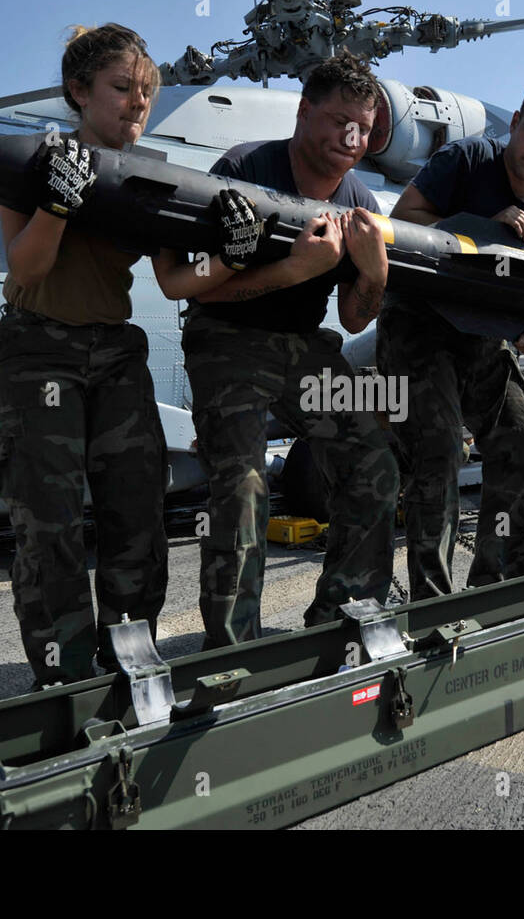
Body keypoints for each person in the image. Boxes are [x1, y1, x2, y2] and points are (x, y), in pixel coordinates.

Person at [153, 53, 399, 648]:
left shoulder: (359, 196)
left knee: (374, 463)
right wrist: (292, 271)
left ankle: (342, 613)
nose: (352, 138)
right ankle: (236, 646)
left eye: (364, 129)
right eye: (340, 120)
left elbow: (351, 317)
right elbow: (192, 281)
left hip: (306, 345)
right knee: (241, 484)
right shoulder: (241, 170)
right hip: (227, 337)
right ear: (304, 110)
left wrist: (373, 275)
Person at [0, 23, 168, 688]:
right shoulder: (27, 162)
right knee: (49, 524)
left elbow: (178, 278)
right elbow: (26, 267)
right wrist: (60, 199)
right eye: (123, 88)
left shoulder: (145, 179)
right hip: (39, 349)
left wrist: (234, 242)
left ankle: (130, 656)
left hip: (116, 351)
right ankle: (63, 674)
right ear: (78, 90)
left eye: (145, 92)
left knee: (138, 512)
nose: (137, 103)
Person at [380, 73, 524, 599]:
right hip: (419, 326)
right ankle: (432, 601)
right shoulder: (466, 160)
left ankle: (499, 589)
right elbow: (404, 219)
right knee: (440, 448)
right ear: (515, 124)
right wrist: (480, 228)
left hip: (481, 338)